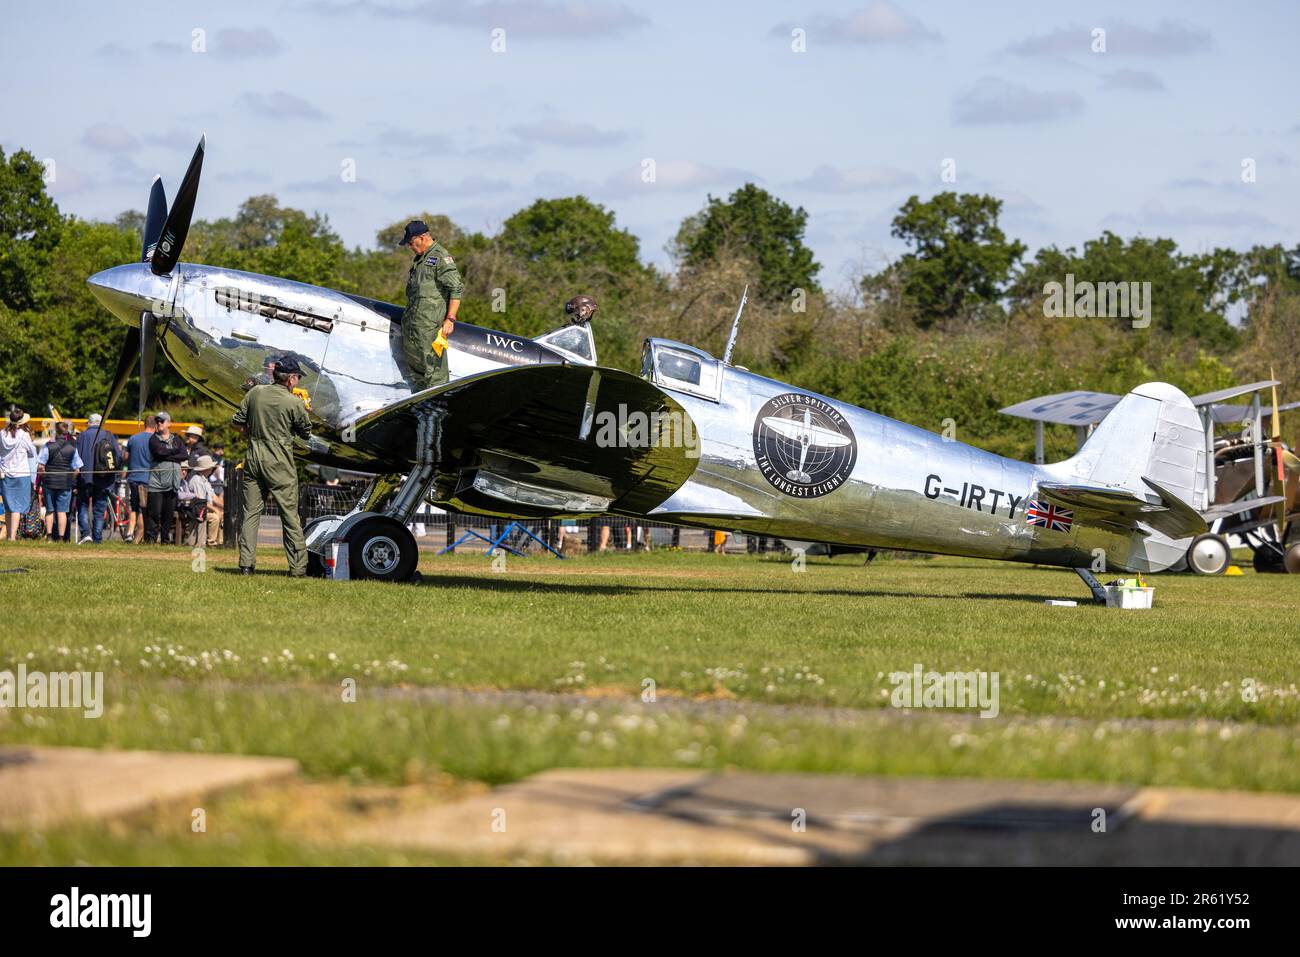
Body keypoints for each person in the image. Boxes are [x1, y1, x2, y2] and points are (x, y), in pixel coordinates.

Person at [233, 354, 313, 576]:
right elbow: (306, 434)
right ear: (290, 379)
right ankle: (297, 568)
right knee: (289, 516)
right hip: (279, 462)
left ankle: (246, 565)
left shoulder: (255, 392)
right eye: (297, 377)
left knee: (250, 514)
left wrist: (251, 436)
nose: (298, 380)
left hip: (253, 458)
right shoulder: (294, 402)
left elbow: (237, 422)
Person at [397, 220, 463, 391]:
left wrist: (450, 319)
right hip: (414, 329)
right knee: (417, 378)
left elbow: (456, 289)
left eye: (411, 243)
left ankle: (437, 415)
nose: (410, 247)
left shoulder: (440, 257)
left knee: (435, 378)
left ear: (422, 237)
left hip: (431, 330)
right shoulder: (420, 259)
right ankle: (422, 416)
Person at [74, 413, 119, 544]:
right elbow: (118, 457)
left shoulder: (82, 436)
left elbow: (75, 458)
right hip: (104, 479)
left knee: (82, 505)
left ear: (89, 423)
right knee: (99, 510)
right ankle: (97, 539)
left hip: (85, 478)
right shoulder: (109, 435)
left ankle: (85, 534)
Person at [146, 412, 188, 544]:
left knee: (168, 514)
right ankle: (151, 539)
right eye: (157, 421)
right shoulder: (153, 439)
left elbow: (184, 455)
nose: (158, 423)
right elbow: (159, 452)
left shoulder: (176, 439)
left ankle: (165, 539)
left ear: (169, 423)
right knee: (154, 513)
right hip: (156, 483)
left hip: (173, 483)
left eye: (162, 421)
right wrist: (175, 452)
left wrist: (168, 454)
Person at [37, 421, 80, 540]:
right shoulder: (72, 448)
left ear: (55, 431)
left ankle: (50, 537)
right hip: (65, 484)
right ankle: (61, 538)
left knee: (50, 510)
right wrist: (70, 479)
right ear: (67, 432)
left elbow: (41, 466)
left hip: (49, 483)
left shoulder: (48, 445)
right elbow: (77, 469)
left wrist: (44, 477)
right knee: (62, 512)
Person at [1, 410, 37, 540]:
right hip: (21, 473)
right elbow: (32, 453)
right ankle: (12, 537)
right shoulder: (24, 435)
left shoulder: (2, 433)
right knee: (16, 507)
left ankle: (10, 535)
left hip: (5, 473)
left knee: (9, 506)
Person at [125, 416, 157, 543]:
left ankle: (129, 533)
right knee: (144, 508)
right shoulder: (155, 440)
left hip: (133, 477)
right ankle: (138, 536)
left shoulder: (133, 438)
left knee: (134, 507)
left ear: (144, 424)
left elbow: (126, 456)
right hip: (148, 478)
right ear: (155, 426)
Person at [207, 443, 227, 546]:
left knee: (224, 513)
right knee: (216, 515)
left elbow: (215, 498)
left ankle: (221, 542)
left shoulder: (216, 457)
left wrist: (227, 508)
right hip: (216, 485)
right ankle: (212, 542)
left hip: (216, 488)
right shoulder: (216, 458)